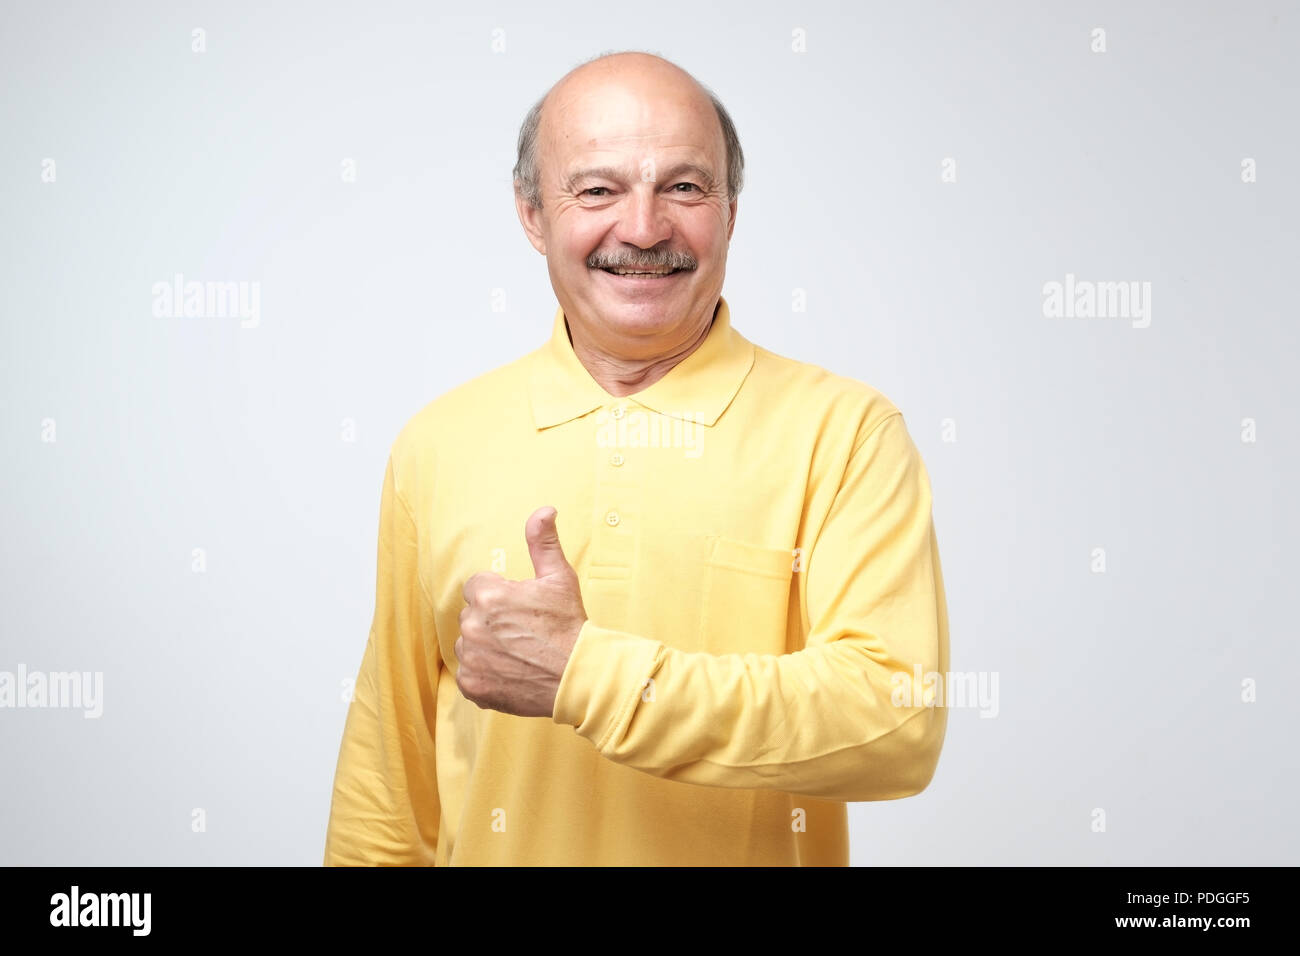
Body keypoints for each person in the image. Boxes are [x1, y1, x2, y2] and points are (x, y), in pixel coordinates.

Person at [323, 49, 949, 866]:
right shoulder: (437, 443)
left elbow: (895, 722)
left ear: (730, 211)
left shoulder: (847, 433)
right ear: (532, 214)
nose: (645, 228)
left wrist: (585, 674)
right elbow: (388, 786)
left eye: (684, 187)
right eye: (597, 189)